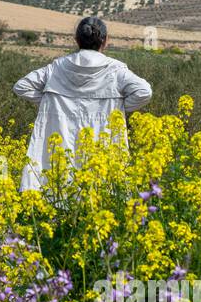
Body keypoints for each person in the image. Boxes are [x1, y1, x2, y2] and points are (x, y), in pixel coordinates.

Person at [13, 16, 152, 192]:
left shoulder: (56, 67)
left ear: (76, 40)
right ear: (106, 41)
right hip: (102, 146)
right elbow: (144, 92)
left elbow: (22, 87)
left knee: (58, 191)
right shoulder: (115, 70)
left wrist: (51, 105)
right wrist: (120, 108)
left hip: (61, 149)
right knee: (102, 191)